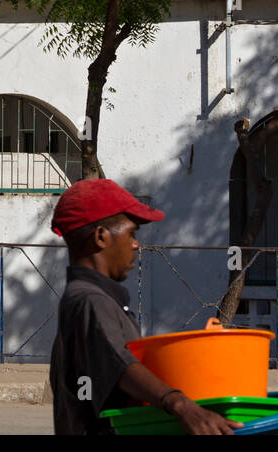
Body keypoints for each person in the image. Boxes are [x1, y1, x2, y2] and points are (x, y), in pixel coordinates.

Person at [49, 178, 241, 435]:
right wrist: (181, 405)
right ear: (101, 237)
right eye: (131, 233)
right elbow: (120, 364)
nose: (136, 244)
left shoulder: (89, 298)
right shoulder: (90, 300)